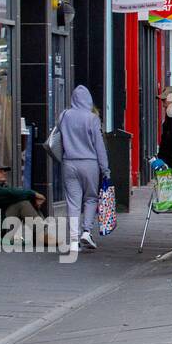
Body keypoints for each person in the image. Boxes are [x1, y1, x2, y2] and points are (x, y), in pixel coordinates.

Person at [57, 85, 110, 252]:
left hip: (69, 162)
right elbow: (99, 145)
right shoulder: (92, 118)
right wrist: (105, 168)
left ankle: (73, 240)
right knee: (91, 198)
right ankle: (86, 231)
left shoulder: (64, 115)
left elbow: (59, 137)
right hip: (89, 163)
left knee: (72, 202)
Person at [0, 163, 47, 243]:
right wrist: (34, 194)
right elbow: (11, 193)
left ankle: (41, 234)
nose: (4, 173)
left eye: (4, 171)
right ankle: (40, 234)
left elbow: (15, 194)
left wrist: (33, 198)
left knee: (26, 199)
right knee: (22, 203)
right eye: (0, 171)